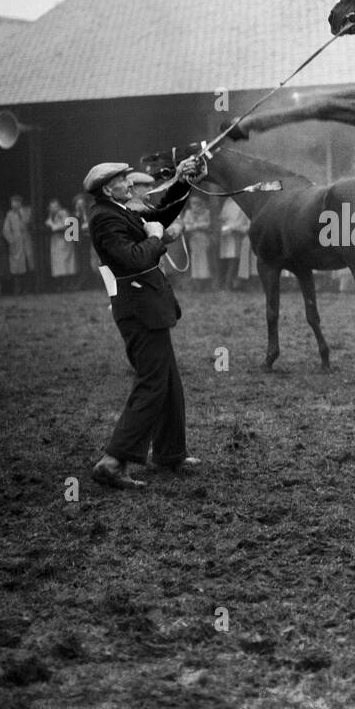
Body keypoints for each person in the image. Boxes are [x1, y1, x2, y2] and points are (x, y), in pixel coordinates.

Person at [85, 155, 205, 489]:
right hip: (138, 308)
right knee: (153, 382)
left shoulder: (119, 211)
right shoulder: (104, 219)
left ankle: (169, 453)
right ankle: (113, 460)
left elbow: (161, 214)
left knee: (167, 380)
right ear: (109, 189)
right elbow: (133, 259)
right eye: (124, 180)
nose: (130, 183)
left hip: (148, 304)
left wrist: (183, 180)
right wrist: (155, 238)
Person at [3, 194, 36, 294]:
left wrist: (22, 214)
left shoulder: (27, 211)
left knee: (28, 265)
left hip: (27, 242)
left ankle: (28, 289)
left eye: (17, 202)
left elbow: (29, 223)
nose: (15, 204)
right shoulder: (9, 214)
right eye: (13, 202)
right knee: (17, 268)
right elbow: (6, 230)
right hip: (16, 244)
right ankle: (18, 289)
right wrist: (11, 241)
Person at [44, 197, 77, 289]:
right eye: (52, 207)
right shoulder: (51, 215)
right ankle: (60, 284)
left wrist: (53, 226)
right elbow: (47, 223)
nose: (54, 208)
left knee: (66, 262)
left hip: (64, 239)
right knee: (57, 262)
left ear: (59, 206)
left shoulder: (64, 212)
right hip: (55, 240)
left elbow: (65, 224)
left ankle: (67, 284)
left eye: (55, 206)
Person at [218, 198, 250, 290]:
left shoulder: (244, 203)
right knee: (227, 259)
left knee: (235, 260)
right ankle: (226, 284)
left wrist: (237, 228)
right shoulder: (228, 202)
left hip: (239, 235)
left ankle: (230, 284)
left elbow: (247, 223)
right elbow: (222, 218)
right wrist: (224, 227)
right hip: (226, 234)